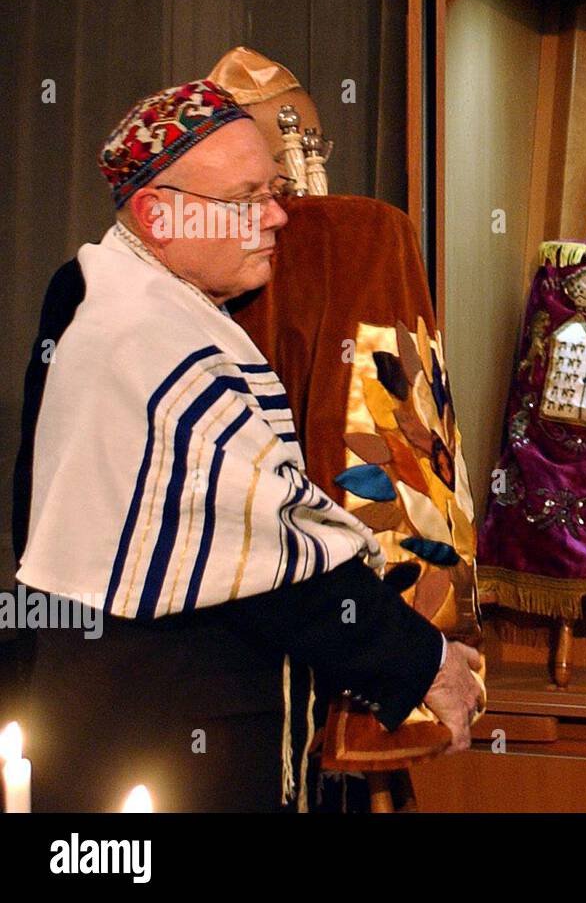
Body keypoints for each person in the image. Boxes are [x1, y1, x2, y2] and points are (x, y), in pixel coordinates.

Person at [15, 80, 482, 811]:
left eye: (274, 190)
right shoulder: (143, 339)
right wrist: (421, 663)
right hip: (161, 732)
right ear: (156, 214)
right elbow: (272, 550)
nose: (276, 217)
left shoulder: (141, 303)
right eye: (245, 199)